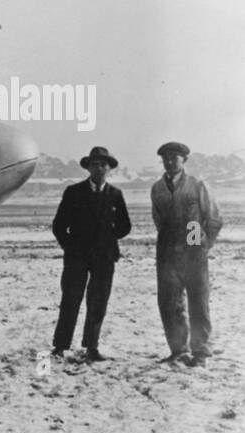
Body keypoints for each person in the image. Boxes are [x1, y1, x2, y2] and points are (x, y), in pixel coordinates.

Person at [50, 146, 132, 361]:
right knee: (71, 298)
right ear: (88, 167)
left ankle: (91, 347)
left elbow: (125, 226)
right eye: (95, 164)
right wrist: (71, 247)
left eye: (103, 165)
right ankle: (60, 345)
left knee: (98, 301)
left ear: (109, 168)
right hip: (77, 257)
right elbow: (59, 225)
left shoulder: (115, 194)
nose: (99, 168)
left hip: (104, 258)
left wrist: (107, 239)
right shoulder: (73, 192)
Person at [151, 142, 221, 367]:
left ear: (184, 160)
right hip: (168, 253)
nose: (170, 161)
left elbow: (213, 219)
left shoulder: (197, 185)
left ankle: (201, 352)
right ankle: (178, 350)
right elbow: (159, 221)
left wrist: (203, 244)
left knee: (198, 303)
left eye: (175, 157)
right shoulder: (157, 189)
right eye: (166, 158)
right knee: (170, 303)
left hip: (193, 251)